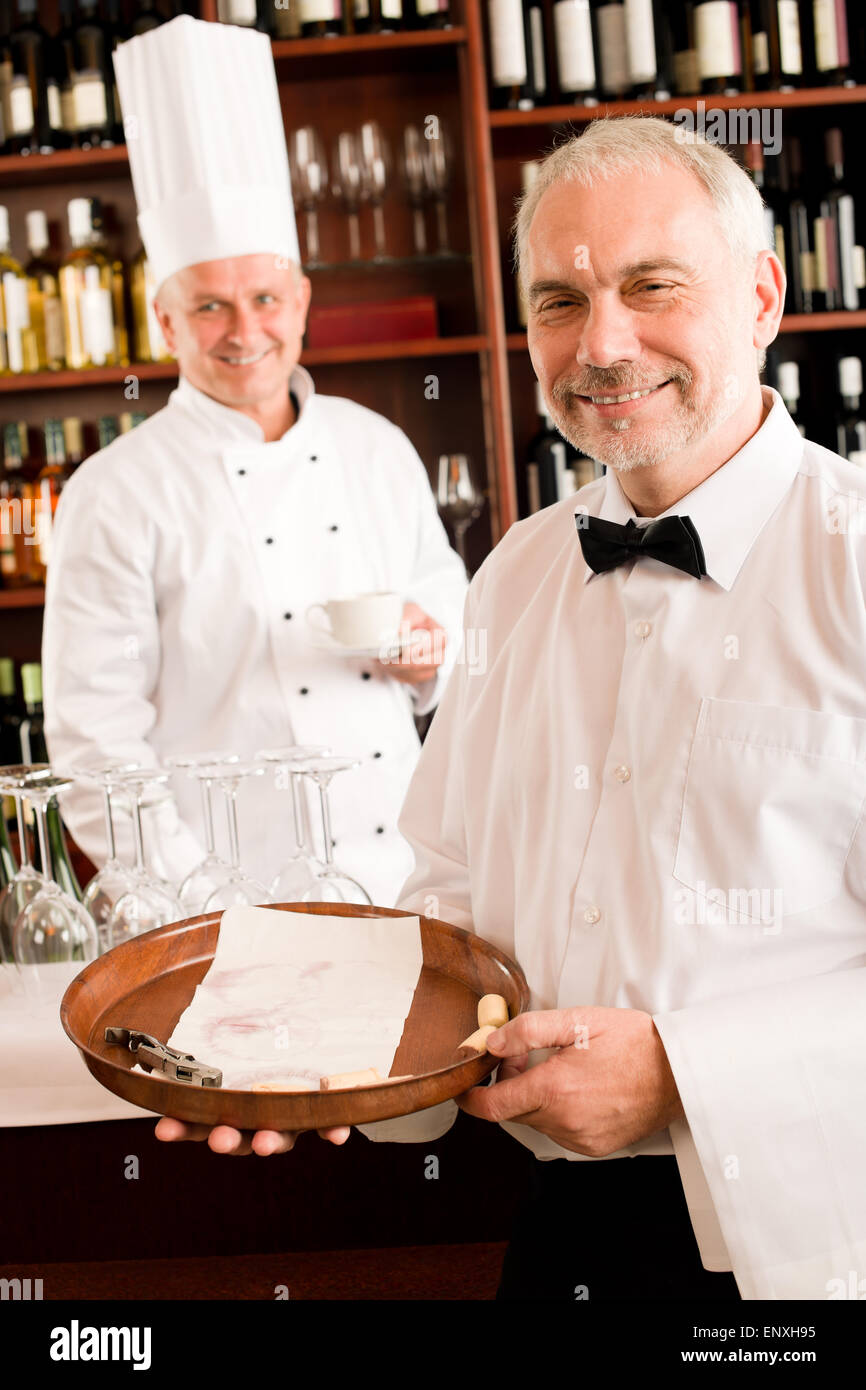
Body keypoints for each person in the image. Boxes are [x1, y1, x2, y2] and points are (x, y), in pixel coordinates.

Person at [163, 116, 866, 1303]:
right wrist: (309, 1059)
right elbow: (447, 896)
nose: (601, 343)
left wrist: (681, 1078)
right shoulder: (518, 571)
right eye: (555, 301)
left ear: (759, 294)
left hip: (807, 1249)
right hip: (560, 1247)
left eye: (651, 285)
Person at [42, 16, 467, 909]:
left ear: (302, 301)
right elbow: (94, 747)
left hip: (412, 883)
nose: (244, 331)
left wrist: (430, 655)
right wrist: (200, 903)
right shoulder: (115, 494)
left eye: (266, 297)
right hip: (230, 906)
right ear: (164, 322)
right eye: (208, 307)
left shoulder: (376, 447)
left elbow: (459, 651)